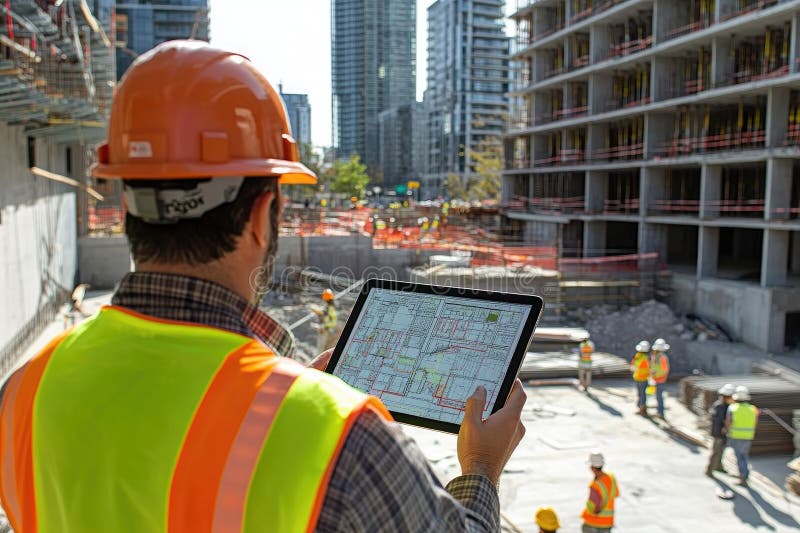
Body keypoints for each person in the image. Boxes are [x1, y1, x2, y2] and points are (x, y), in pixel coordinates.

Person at [0, 41, 528, 532]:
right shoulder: (341, 439)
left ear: (125, 207)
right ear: (262, 215)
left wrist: (281, 386)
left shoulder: (25, 391)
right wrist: (482, 464)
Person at [726, 385, 759, 486]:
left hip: (736, 436)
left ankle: (743, 477)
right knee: (744, 456)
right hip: (748, 436)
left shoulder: (732, 408)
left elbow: (728, 422)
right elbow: (755, 422)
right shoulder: (753, 409)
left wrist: (728, 432)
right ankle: (745, 474)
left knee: (739, 457)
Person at [581, 451, 619, 532]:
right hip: (608, 522)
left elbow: (593, 508)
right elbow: (616, 494)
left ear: (593, 467)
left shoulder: (595, 485)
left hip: (593, 523)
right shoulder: (611, 478)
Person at [706, 383, 735, 476]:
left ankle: (719, 466)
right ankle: (709, 471)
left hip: (723, 433)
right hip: (718, 433)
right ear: (727, 397)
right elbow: (719, 421)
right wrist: (724, 429)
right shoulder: (720, 407)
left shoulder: (726, 406)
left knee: (721, 451)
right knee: (716, 452)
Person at [649, 338, 671, 418]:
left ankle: (661, 413)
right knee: (657, 396)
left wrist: (655, 375)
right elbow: (654, 367)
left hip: (660, 380)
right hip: (657, 379)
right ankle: (659, 411)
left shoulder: (662, 358)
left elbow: (664, 370)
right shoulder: (656, 356)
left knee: (659, 396)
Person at [313, 288, 338, 352]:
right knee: (320, 350)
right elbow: (324, 315)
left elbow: (333, 322)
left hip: (325, 331)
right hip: (324, 330)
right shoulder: (328, 307)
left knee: (321, 350)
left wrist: (323, 327)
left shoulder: (330, 308)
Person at [630, 340, 650, 415]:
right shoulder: (645, 358)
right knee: (642, 394)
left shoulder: (639, 357)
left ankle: (642, 409)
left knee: (641, 394)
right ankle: (641, 408)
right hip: (642, 378)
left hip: (640, 378)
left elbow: (633, 367)